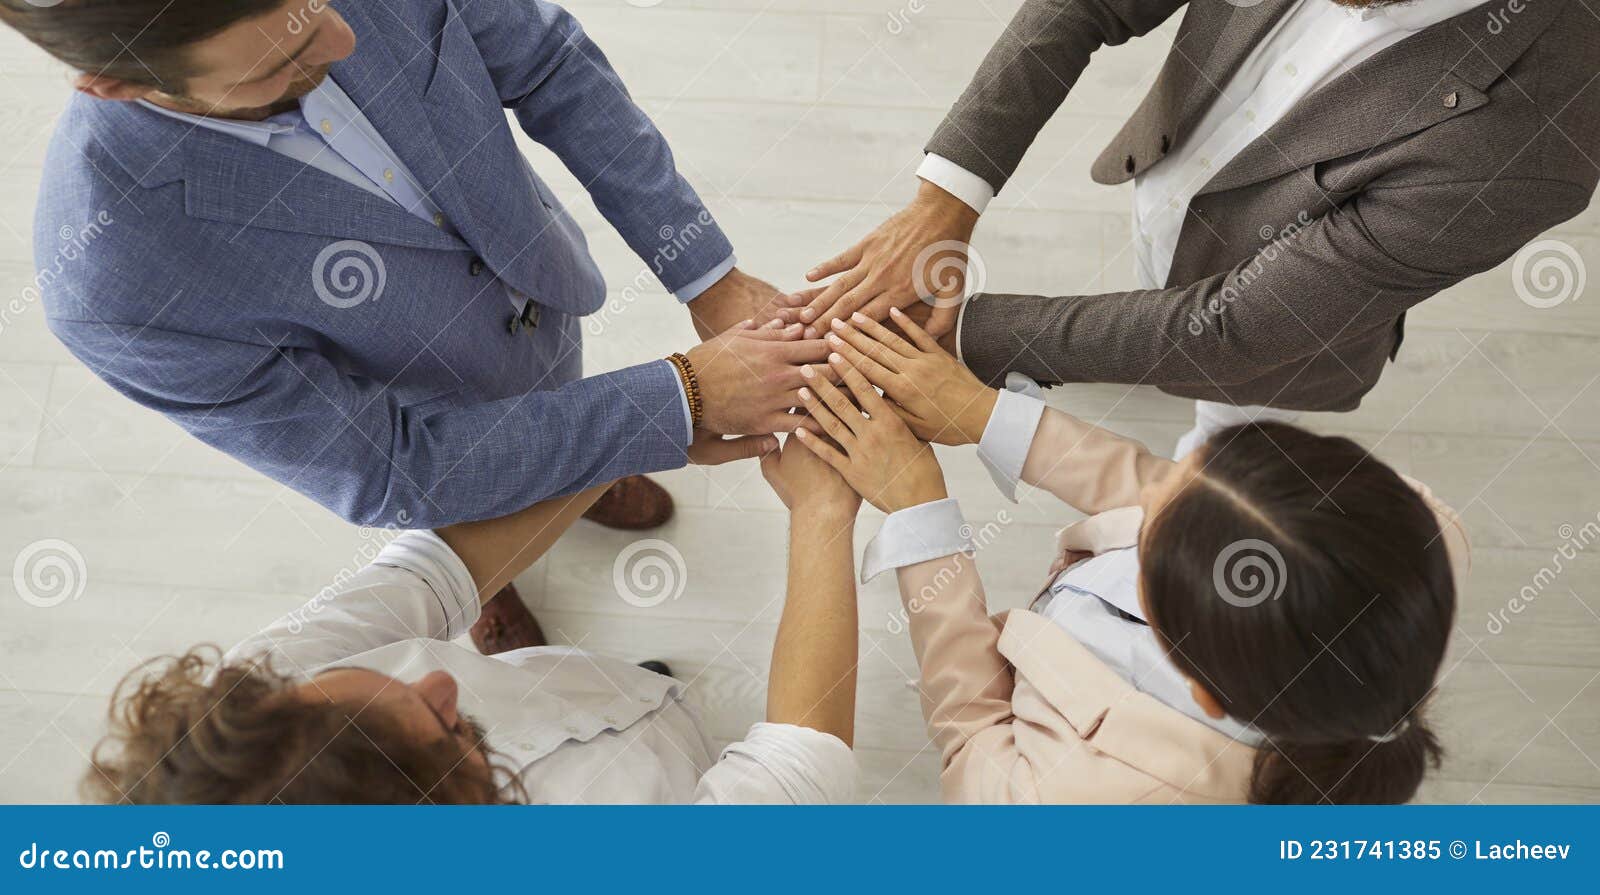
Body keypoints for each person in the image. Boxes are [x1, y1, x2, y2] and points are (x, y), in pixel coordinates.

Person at [4, 0, 820, 652]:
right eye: (284, 60)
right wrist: (677, 400)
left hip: (538, 281)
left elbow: (547, 63)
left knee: (573, 406)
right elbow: (395, 467)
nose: (345, 35)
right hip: (439, 423)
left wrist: (706, 276)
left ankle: (592, 471)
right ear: (117, 84)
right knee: (481, 510)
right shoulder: (111, 284)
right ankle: (488, 585)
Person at [787, 0, 1599, 455]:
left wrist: (971, 337)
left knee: (1229, 450)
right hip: (1170, 178)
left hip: (1275, 344)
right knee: (1149, 302)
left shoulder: (1545, 134)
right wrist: (946, 199)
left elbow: (1235, 331)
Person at [786, 308, 1468, 803]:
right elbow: (1165, 490)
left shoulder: (1067, 806)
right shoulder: (1418, 533)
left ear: (1202, 689)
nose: (1158, 485)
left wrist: (919, 511)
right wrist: (988, 416)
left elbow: (973, 729)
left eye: (1154, 529)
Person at [85, 446, 863, 805]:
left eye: (375, 679)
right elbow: (794, 766)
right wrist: (823, 508)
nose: (442, 677)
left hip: (608, 700)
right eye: (446, 729)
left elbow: (434, 567)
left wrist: (644, 426)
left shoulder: (267, 701)